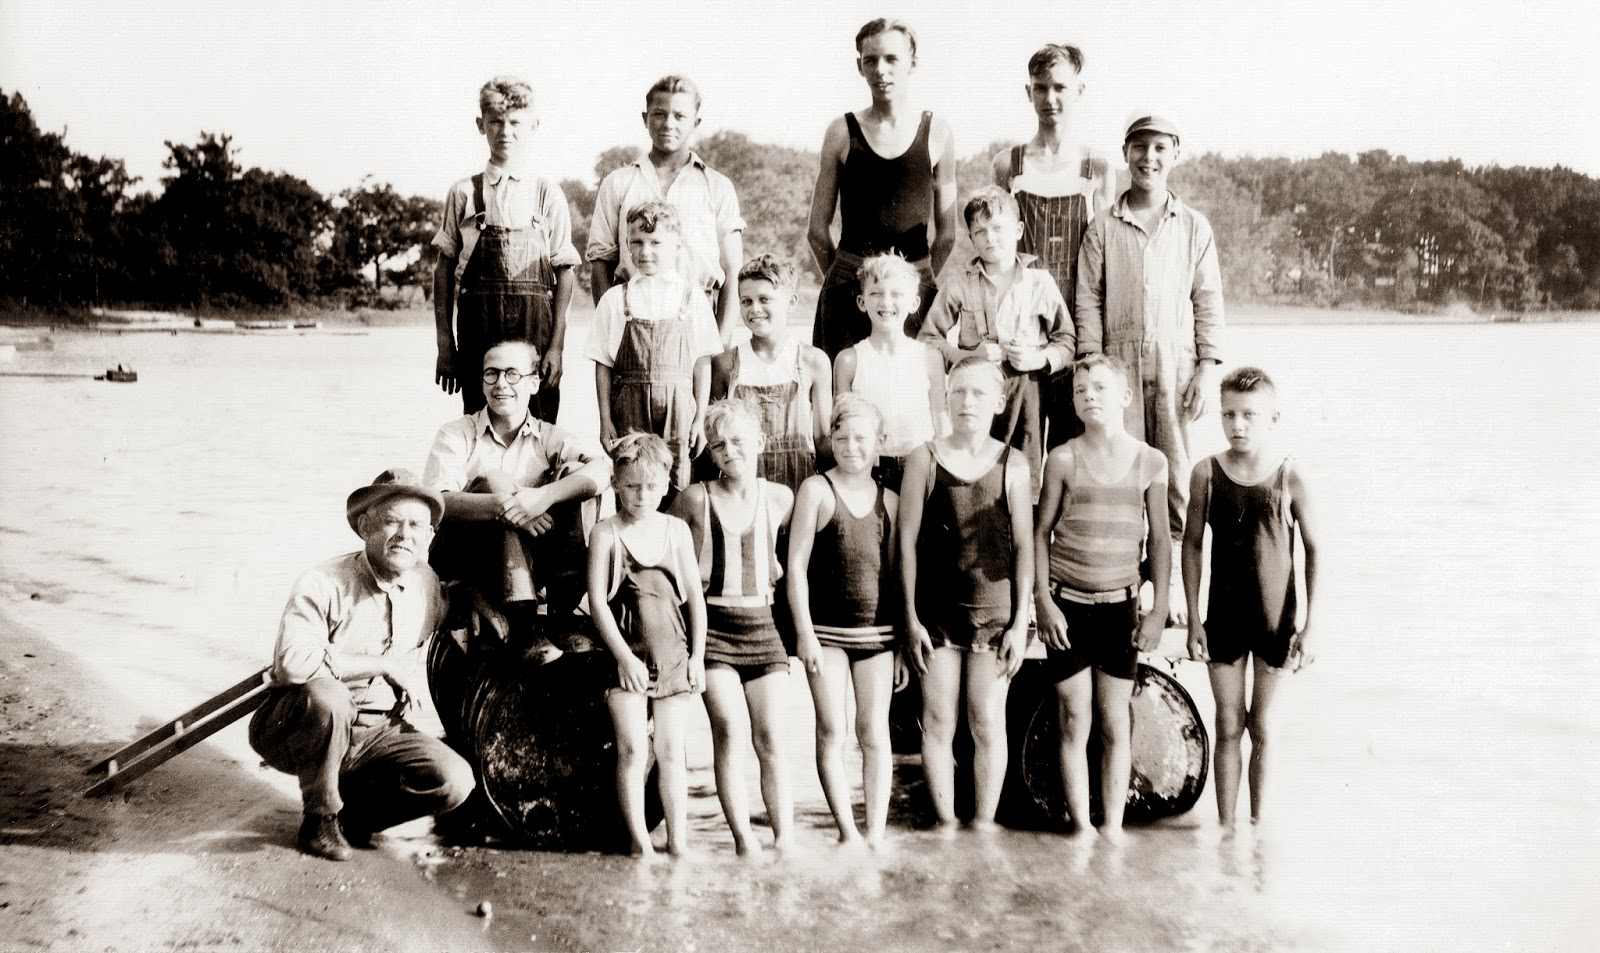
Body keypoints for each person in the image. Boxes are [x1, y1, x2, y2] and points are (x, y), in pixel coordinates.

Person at [249, 470, 475, 861]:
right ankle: (319, 820)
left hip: (375, 731)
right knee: (329, 696)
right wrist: (381, 665)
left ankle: (355, 819)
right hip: (298, 725)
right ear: (364, 526)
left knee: (455, 781)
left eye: (417, 525)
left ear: (430, 538)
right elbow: (291, 664)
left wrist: (480, 605)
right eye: (391, 521)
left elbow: (452, 608)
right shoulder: (324, 581)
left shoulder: (426, 584)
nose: (404, 535)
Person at [1076, 113, 1224, 623]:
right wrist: (1094, 372)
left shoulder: (1194, 227)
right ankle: (1128, 588)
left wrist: (1207, 367)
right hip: (1117, 368)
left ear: (1175, 154)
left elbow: (1208, 301)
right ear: (1125, 154)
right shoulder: (1102, 226)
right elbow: (1087, 303)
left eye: (1160, 147)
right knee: (1122, 476)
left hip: (1175, 365)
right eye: (1139, 147)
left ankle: (1176, 594)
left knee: (1176, 477)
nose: (1149, 158)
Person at [1033, 355, 1169, 843]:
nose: (1089, 396)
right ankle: (1082, 828)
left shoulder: (1151, 461)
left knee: (1115, 721)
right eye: (1080, 391)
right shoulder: (1063, 458)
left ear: (1125, 398)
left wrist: (1157, 611)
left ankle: (1112, 826)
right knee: (1075, 720)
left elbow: (1161, 543)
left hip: (1121, 608)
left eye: (1100, 388)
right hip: (1067, 608)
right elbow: (1041, 533)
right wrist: (1043, 603)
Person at [1182, 367, 1320, 831]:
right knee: (1227, 726)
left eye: (1248, 415)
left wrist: (1312, 625)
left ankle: (1258, 829)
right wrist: (1194, 621)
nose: (1237, 424)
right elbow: (1192, 544)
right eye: (1228, 415)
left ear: (1273, 417)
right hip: (1222, 619)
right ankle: (1226, 830)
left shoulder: (1290, 474)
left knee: (1262, 729)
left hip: (1275, 622)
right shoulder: (1205, 472)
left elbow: (1316, 549)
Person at [899, 357, 1033, 832]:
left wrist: (1021, 623)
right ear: (946, 398)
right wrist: (910, 620)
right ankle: (946, 827)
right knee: (937, 722)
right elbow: (907, 542)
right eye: (958, 392)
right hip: (935, 616)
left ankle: (983, 825)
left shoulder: (1012, 462)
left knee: (986, 723)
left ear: (999, 402)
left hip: (995, 616)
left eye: (978, 393)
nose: (966, 401)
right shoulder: (925, 458)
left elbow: (1023, 547)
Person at [423, 340, 611, 647]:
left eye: (513, 375)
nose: (501, 385)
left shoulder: (550, 436)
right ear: (482, 383)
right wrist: (506, 506)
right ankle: (520, 616)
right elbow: (437, 501)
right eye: (491, 374)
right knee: (497, 480)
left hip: (531, 559)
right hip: (467, 559)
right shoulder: (456, 433)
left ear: (534, 383)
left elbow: (602, 472)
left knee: (575, 473)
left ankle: (562, 610)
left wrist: (543, 497)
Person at [671, 399, 796, 854]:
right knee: (730, 732)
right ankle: (744, 841)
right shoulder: (694, 499)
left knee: (773, 739)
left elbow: (789, 562)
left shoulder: (780, 497)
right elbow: (660, 541)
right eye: (719, 444)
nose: (729, 451)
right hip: (715, 631)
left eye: (739, 441)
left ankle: (785, 839)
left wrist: (777, 565)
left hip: (764, 630)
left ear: (760, 443)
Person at [787, 394, 903, 846]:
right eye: (841, 437)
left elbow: (895, 576)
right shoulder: (816, 490)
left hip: (877, 634)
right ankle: (847, 831)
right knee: (832, 728)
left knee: (873, 732)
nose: (851, 446)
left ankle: (875, 830)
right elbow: (796, 566)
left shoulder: (890, 500)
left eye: (861, 438)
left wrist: (899, 646)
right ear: (829, 440)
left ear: (879, 443)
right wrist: (804, 634)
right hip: (826, 635)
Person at [807, 17, 958, 359]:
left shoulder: (937, 132)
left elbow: (947, 234)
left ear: (913, 63)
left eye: (892, 59)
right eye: (870, 60)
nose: (881, 70)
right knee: (844, 400)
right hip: (849, 289)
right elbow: (817, 230)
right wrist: (845, 278)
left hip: (911, 292)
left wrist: (918, 279)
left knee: (914, 395)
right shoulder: (841, 132)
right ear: (859, 65)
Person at [432, 76, 580, 423]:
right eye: (496, 122)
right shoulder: (465, 192)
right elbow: (443, 271)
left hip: (536, 333)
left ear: (533, 125)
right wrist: (444, 345)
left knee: (540, 428)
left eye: (515, 122)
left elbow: (565, 273)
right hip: (477, 333)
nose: (505, 131)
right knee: (479, 426)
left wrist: (556, 347)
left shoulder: (546, 193)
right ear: (481, 124)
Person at [587, 433, 706, 857]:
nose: (642, 495)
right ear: (616, 483)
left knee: (672, 750)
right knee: (634, 748)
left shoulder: (676, 530)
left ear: (666, 484)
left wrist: (698, 657)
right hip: (626, 658)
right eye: (632, 486)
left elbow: (695, 599)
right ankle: (640, 842)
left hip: (675, 655)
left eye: (651, 487)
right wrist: (622, 657)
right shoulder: (606, 533)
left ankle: (678, 841)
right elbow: (598, 603)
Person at [993, 43, 1116, 450]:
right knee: (1014, 445)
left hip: (1076, 320)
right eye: (1041, 87)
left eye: (1061, 87)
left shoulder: (1095, 165)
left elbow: (1103, 257)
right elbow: (994, 251)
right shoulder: (1007, 164)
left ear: (1079, 90)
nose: (1051, 98)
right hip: (1019, 324)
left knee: (1073, 444)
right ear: (1028, 92)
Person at [920, 187, 1074, 494]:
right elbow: (928, 339)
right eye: (980, 231)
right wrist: (965, 356)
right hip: (976, 389)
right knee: (976, 462)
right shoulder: (958, 284)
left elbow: (1067, 341)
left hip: (1026, 390)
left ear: (1017, 230)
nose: (990, 238)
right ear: (971, 239)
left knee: (1023, 470)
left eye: (997, 229)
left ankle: (1022, 528)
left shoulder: (1039, 282)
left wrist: (1039, 359)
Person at [587, 76, 746, 341]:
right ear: (645, 118)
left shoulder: (717, 186)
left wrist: (720, 344)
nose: (668, 124)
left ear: (695, 123)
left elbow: (732, 273)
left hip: (699, 320)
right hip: (633, 320)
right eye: (659, 114)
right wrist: (614, 334)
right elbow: (600, 263)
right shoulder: (618, 183)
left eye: (680, 116)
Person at [589, 201, 723, 497]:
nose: (645, 251)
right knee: (632, 484)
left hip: (678, 409)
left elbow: (702, 363)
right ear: (627, 244)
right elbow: (603, 365)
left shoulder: (692, 298)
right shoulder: (615, 300)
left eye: (655, 242)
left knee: (676, 486)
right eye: (637, 242)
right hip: (628, 408)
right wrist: (605, 419)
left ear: (677, 245)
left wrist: (700, 419)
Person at [712, 253, 832, 493]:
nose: (755, 309)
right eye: (746, 301)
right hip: (745, 486)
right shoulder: (727, 364)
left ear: (791, 302)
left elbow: (822, 440)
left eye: (764, 299)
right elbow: (714, 437)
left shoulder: (812, 361)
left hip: (800, 483)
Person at [833, 254, 946, 493]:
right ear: (862, 302)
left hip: (921, 467)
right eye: (876, 293)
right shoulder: (849, 360)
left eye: (896, 294)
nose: (886, 302)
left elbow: (941, 422)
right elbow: (841, 425)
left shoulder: (929, 357)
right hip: (868, 468)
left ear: (914, 303)